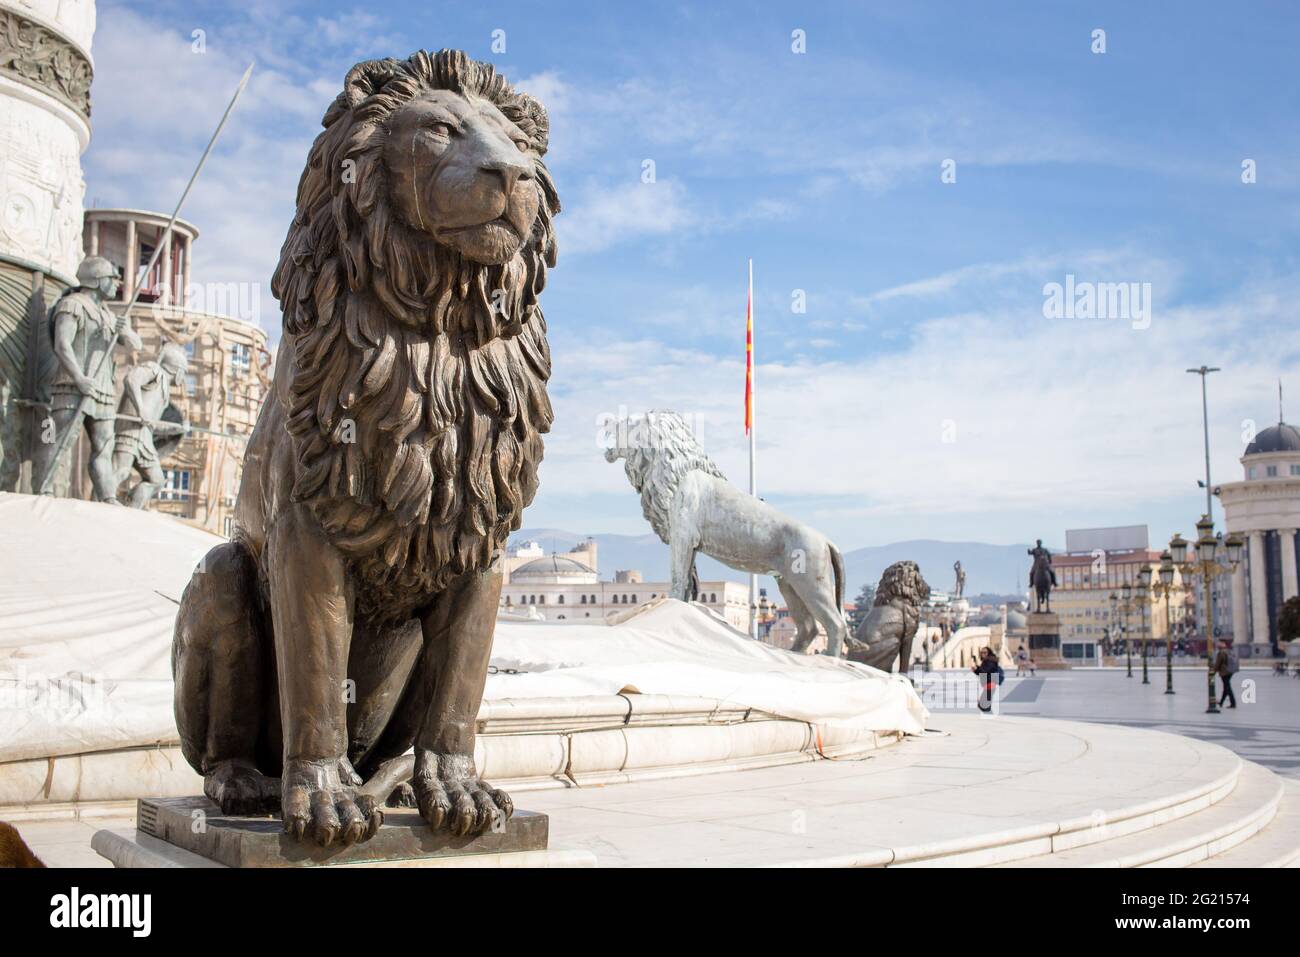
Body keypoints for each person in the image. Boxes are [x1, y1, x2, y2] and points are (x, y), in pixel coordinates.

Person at [33, 256, 141, 500]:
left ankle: (107, 495)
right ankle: (43, 488)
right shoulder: (72, 305)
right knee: (57, 439)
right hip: (71, 386)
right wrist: (79, 377)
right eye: (112, 279)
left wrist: (124, 330)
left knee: (105, 445)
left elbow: (136, 344)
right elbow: (62, 345)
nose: (116, 284)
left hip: (102, 389)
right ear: (96, 280)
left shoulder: (108, 315)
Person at [113, 343, 189, 508]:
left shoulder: (164, 391)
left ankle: (131, 508)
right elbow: (131, 379)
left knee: (157, 481)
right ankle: (99, 503)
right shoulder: (154, 369)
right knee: (120, 472)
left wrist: (176, 429)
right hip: (130, 432)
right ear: (177, 369)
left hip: (145, 440)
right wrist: (140, 409)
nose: (183, 379)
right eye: (184, 373)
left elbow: (153, 424)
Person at [972, 646, 1004, 712]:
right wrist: (975, 670)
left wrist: (977, 669)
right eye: (982, 652)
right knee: (984, 703)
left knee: (984, 703)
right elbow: (981, 672)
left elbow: (985, 671)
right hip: (988, 683)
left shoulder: (990, 661)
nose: (983, 654)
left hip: (990, 682)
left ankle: (987, 714)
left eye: (985, 652)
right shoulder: (986, 661)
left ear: (989, 653)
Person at [1214, 639, 1238, 709]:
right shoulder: (1228, 651)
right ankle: (1221, 702)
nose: (1217, 644)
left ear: (1222, 644)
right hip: (1230, 671)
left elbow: (1218, 663)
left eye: (1219, 643)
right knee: (1226, 687)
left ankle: (1233, 703)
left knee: (1227, 688)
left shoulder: (1221, 652)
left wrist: (1213, 672)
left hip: (1224, 672)